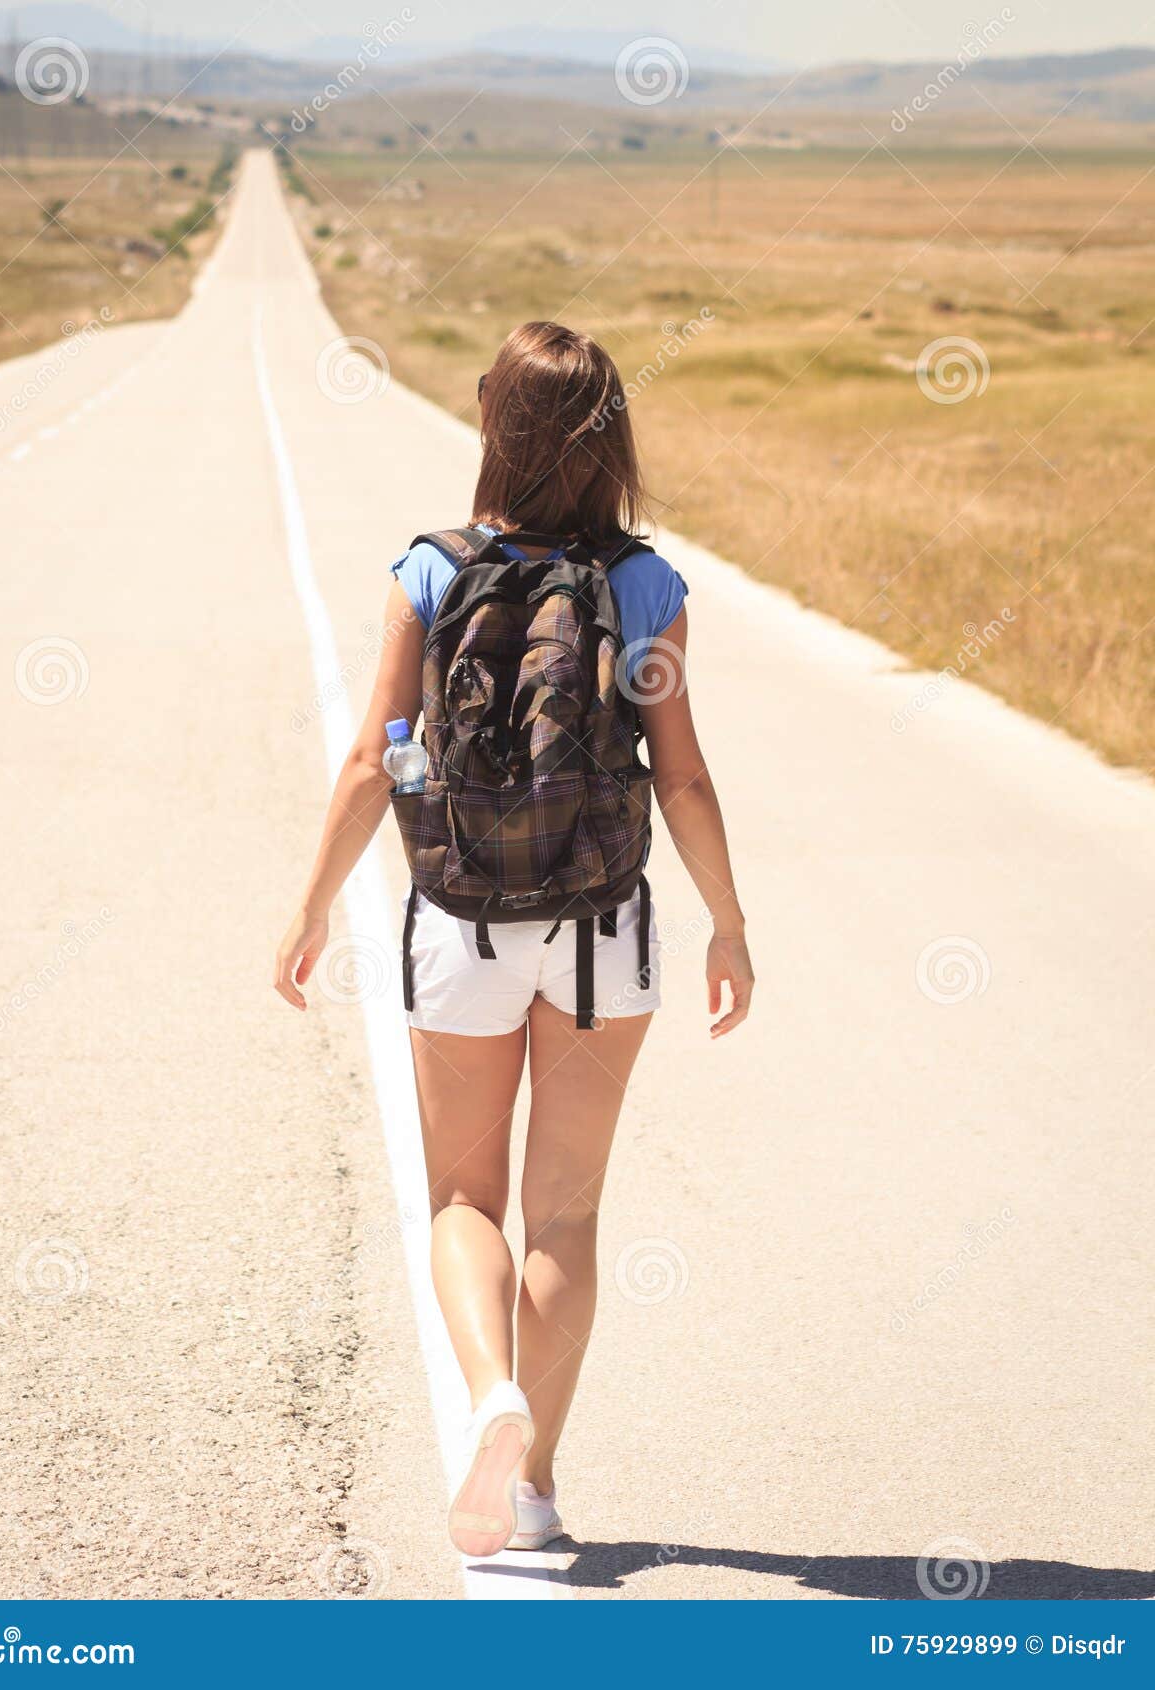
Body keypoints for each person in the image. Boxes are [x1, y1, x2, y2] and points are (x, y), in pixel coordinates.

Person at [275, 321, 753, 1558]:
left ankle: (488, 1387)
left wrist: (313, 903)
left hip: (462, 928)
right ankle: (532, 1475)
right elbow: (683, 779)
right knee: (568, 1219)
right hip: (603, 936)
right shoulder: (645, 588)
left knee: (459, 1196)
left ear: (495, 426)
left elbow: (370, 761)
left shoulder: (429, 572)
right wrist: (729, 924)